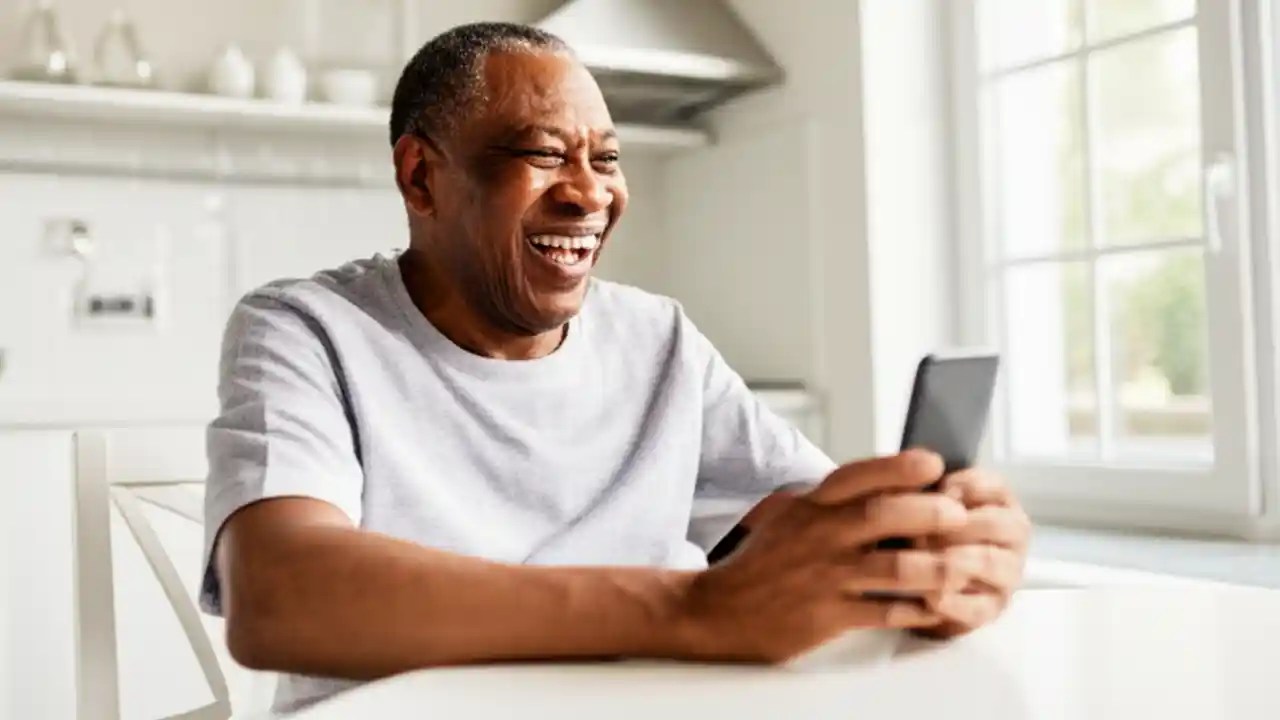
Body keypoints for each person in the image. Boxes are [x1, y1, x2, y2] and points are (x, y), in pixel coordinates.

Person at [201, 22, 1031, 714]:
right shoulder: (307, 330)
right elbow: (280, 596)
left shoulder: (656, 338)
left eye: (605, 157)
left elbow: (801, 524)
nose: (589, 192)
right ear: (422, 177)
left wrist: (930, 553)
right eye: (544, 152)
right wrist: (698, 608)